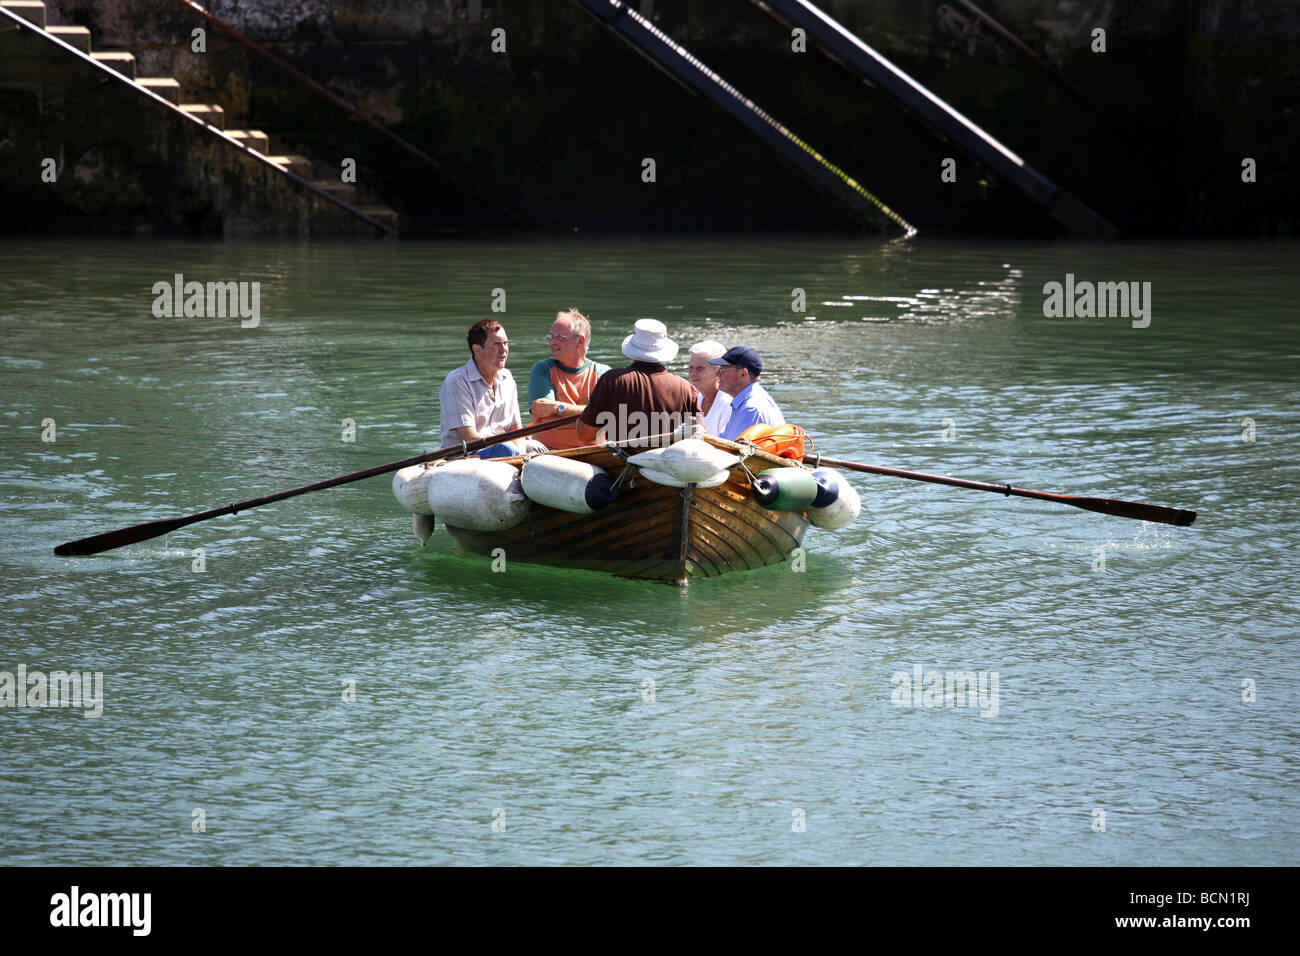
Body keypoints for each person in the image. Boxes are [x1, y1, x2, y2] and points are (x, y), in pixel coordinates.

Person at [575, 318, 698, 446]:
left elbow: (584, 435)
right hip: (669, 464)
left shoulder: (611, 380)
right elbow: (698, 436)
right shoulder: (687, 389)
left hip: (624, 463)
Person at [438, 319, 543, 458]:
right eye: (496, 344)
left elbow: (515, 428)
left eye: (505, 343)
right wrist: (514, 453)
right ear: (477, 349)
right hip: (465, 455)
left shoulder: (507, 377)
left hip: (504, 448)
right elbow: (469, 439)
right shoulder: (457, 381)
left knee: (538, 448)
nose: (504, 349)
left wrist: (521, 455)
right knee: (506, 449)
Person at [528, 309, 611, 450]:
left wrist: (557, 408)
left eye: (560, 337)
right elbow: (544, 417)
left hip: (592, 451)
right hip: (547, 450)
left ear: (579, 341)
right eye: (551, 337)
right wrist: (589, 417)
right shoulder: (542, 369)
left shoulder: (603, 374)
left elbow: (607, 418)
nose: (552, 342)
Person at [709, 345, 785, 441]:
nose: (717, 374)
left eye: (723, 370)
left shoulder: (751, 409)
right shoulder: (745, 402)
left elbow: (733, 453)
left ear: (743, 374)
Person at [687, 340, 732, 437]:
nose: (692, 373)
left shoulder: (728, 404)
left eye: (699, 368)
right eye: (691, 367)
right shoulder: (697, 399)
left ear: (718, 371)